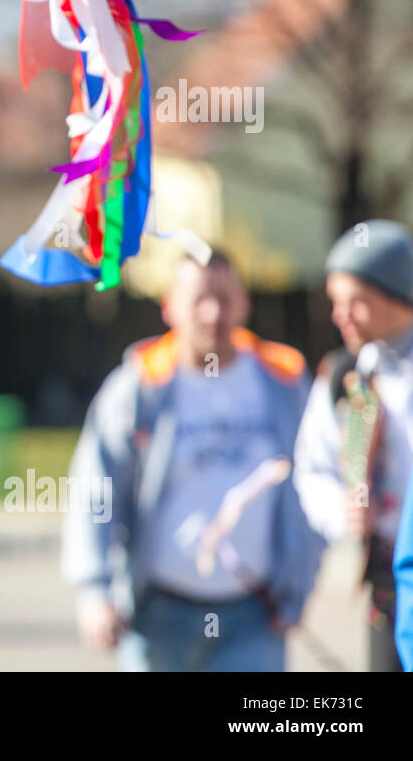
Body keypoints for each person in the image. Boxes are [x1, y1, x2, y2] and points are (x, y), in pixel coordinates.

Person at [62, 250, 322, 671]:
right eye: (200, 298)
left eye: (224, 297)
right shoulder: (140, 385)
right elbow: (96, 490)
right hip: (158, 618)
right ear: (169, 306)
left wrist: (299, 587)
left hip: (255, 617)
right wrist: (95, 590)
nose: (213, 312)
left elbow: (313, 485)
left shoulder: (283, 380)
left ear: (244, 303)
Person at [296, 219, 413, 671]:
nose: (339, 315)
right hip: (387, 581)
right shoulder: (348, 379)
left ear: (398, 294)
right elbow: (312, 465)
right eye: (335, 301)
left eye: (356, 302)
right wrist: (339, 509)